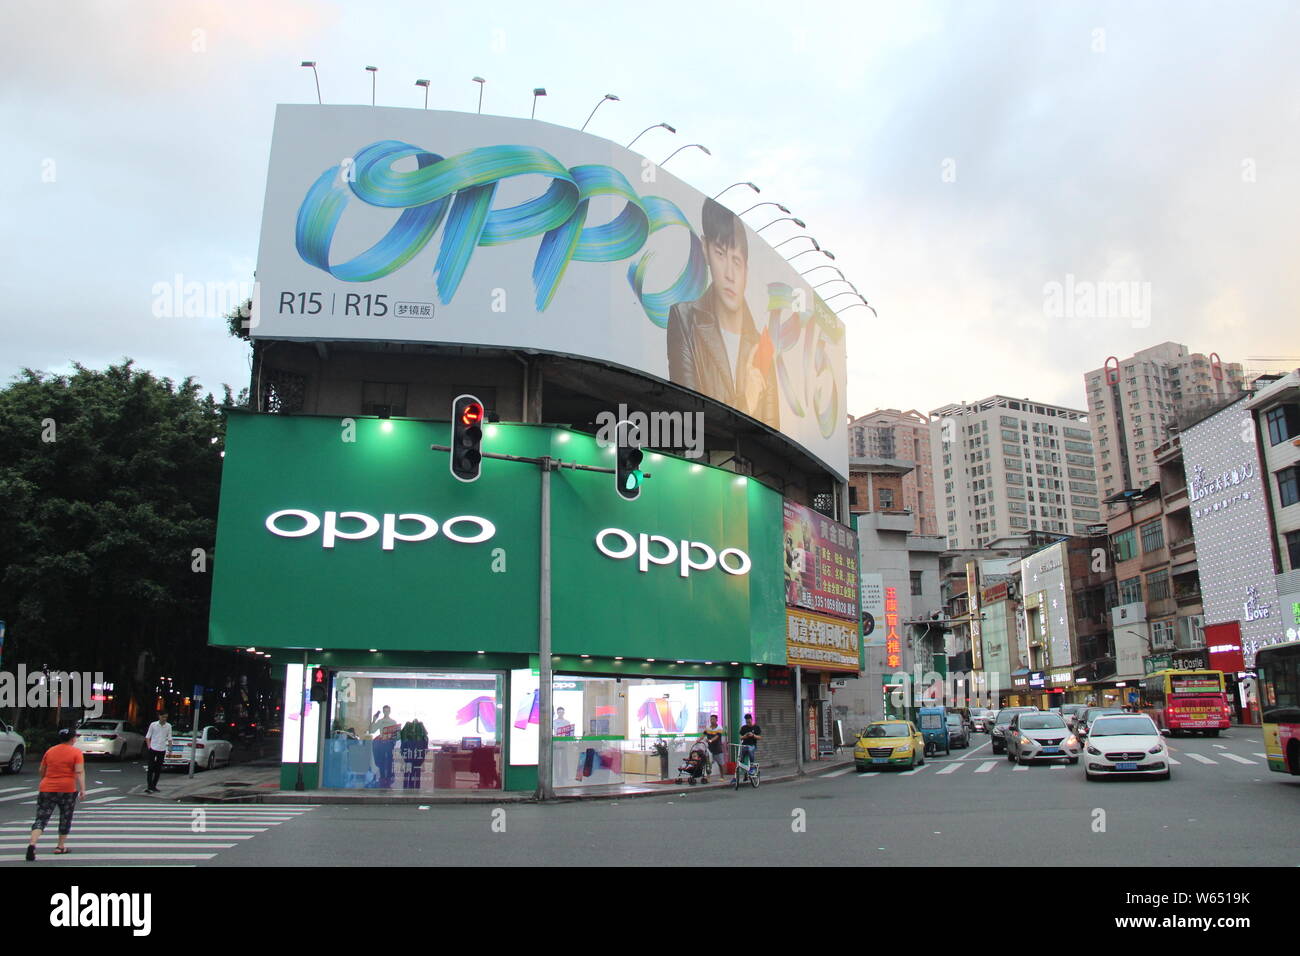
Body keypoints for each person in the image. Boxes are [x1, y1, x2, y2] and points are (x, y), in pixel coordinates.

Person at [666, 198, 779, 429]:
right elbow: (687, 416)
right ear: (705, 249)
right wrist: (745, 401)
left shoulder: (761, 346)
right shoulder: (684, 319)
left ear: (747, 270)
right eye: (720, 253)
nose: (729, 273)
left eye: (737, 261)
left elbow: (771, 431)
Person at [26, 727, 87, 860]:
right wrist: (82, 789)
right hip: (67, 789)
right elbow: (79, 772)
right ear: (72, 739)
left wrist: (45, 780)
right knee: (65, 817)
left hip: (47, 787)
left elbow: (42, 769)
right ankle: (60, 846)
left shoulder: (50, 751)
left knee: (41, 818)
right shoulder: (76, 752)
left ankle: (32, 844)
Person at [369, 705, 399, 788]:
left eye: (387, 711)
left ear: (390, 711)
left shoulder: (393, 722)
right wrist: (373, 721)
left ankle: (389, 778)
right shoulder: (380, 721)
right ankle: (382, 777)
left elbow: (396, 735)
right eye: (385, 711)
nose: (386, 712)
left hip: (389, 743)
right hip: (381, 743)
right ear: (383, 711)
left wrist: (393, 740)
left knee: (389, 761)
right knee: (381, 761)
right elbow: (371, 730)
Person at [143, 711, 172, 793]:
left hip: (162, 749)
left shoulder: (168, 726)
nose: (164, 719)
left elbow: (169, 737)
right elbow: (148, 736)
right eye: (163, 717)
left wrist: (170, 749)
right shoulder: (153, 725)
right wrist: (149, 747)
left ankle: (154, 785)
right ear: (159, 716)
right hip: (153, 748)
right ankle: (149, 786)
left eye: (166, 717)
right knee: (150, 767)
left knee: (158, 769)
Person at [698, 715, 726, 779]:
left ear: (716, 720)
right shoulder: (708, 727)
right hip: (710, 749)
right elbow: (703, 734)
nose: (712, 721)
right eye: (711, 719)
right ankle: (708, 776)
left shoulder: (719, 728)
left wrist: (710, 740)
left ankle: (722, 776)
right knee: (708, 763)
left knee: (720, 764)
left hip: (718, 749)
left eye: (713, 719)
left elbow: (717, 737)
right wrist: (699, 739)